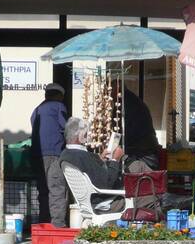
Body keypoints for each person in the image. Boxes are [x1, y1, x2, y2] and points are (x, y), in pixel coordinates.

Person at [59, 117, 126, 213]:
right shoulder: (84, 156)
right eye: (86, 134)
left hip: (87, 202)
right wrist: (115, 160)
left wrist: (100, 160)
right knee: (145, 194)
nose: (88, 136)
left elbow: (91, 172)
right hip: (104, 202)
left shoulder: (65, 155)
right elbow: (108, 183)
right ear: (81, 135)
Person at [30, 82, 68, 226]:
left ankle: (44, 222)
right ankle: (58, 224)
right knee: (56, 188)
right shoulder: (59, 107)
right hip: (54, 153)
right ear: (59, 96)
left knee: (43, 189)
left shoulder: (37, 109)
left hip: (37, 154)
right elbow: (66, 127)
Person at [122, 87, 161, 170]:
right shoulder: (131, 101)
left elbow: (128, 132)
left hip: (142, 153)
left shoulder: (127, 103)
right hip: (145, 150)